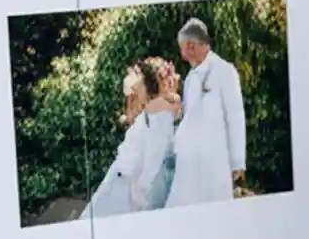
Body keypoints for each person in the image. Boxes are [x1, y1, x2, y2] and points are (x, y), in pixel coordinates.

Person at [82, 60, 180, 219]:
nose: (134, 89)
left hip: (132, 192)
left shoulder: (159, 118)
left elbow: (154, 158)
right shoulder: (147, 115)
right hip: (120, 183)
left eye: (139, 84)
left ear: (149, 86)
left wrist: (142, 197)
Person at [166, 17, 247, 208]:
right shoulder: (191, 76)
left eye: (182, 47)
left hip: (215, 159)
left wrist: (237, 161)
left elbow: (235, 116)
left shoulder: (225, 70)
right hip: (189, 162)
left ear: (191, 46)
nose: (181, 52)